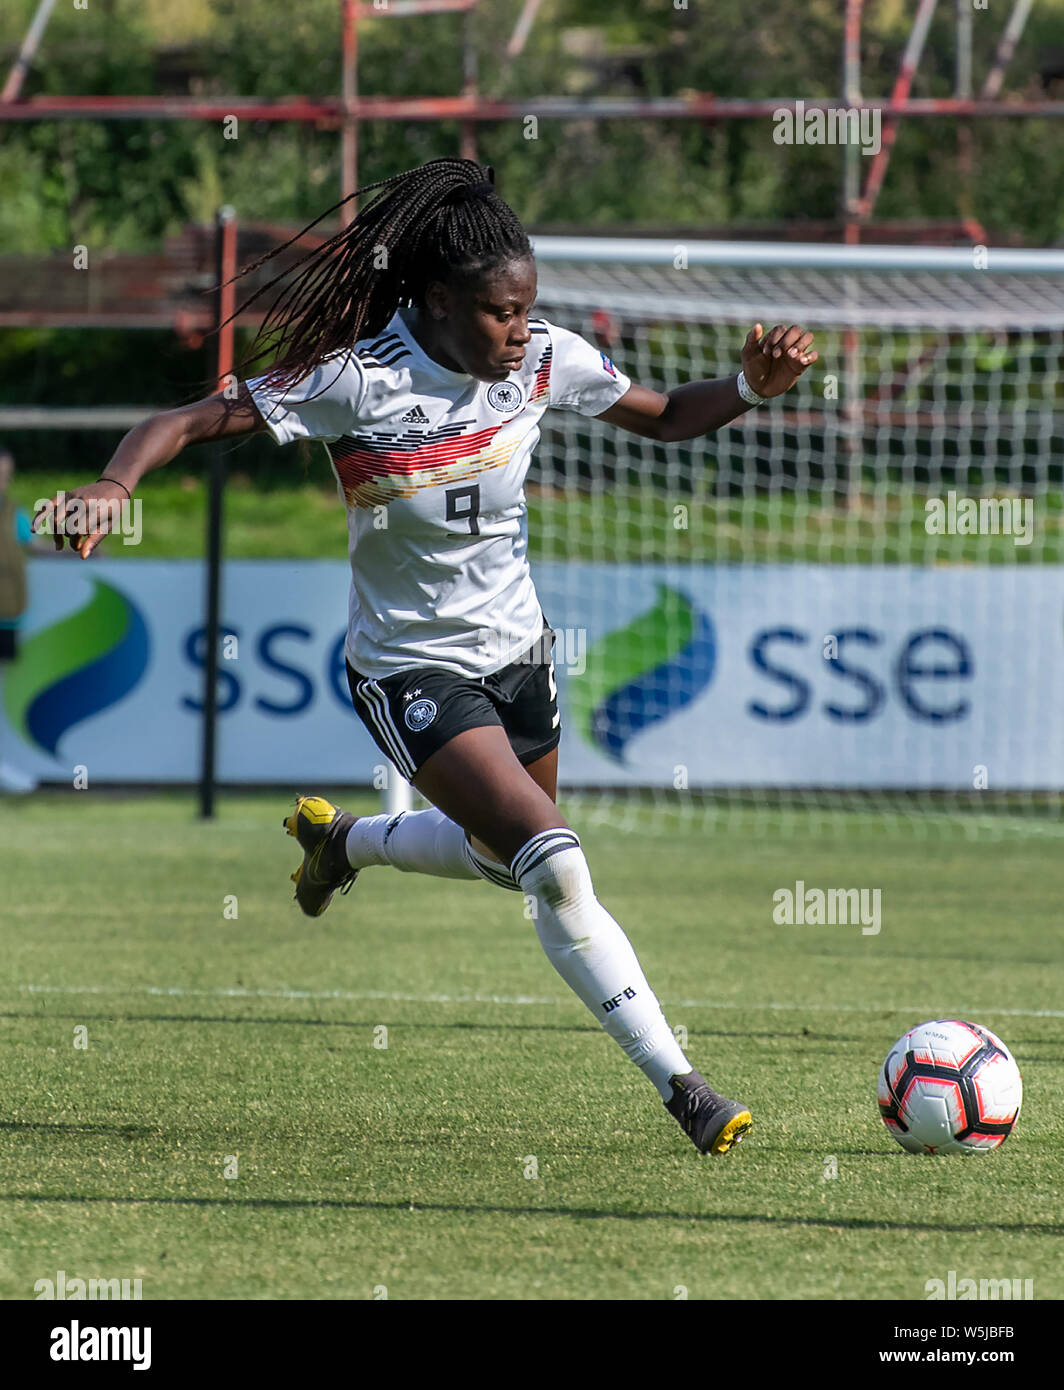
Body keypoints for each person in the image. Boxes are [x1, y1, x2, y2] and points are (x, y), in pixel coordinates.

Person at [35, 158, 817, 1155]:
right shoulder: (358, 383)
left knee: (509, 862)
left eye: (528, 309)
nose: (519, 330)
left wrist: (749, 386)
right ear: (437, 302)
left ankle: (343, 843)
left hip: (518, 655)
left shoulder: (540, 363)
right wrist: (113, 484)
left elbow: (665, 418)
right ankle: (683, 1086)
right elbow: (185, 420)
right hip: (408, 670)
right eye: (499, 312)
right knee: (558, 867)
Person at [0, 446, 40, 793]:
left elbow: (32, 544)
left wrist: (78, 548)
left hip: (6, 612)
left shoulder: (14, 513)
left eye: (6, 474)